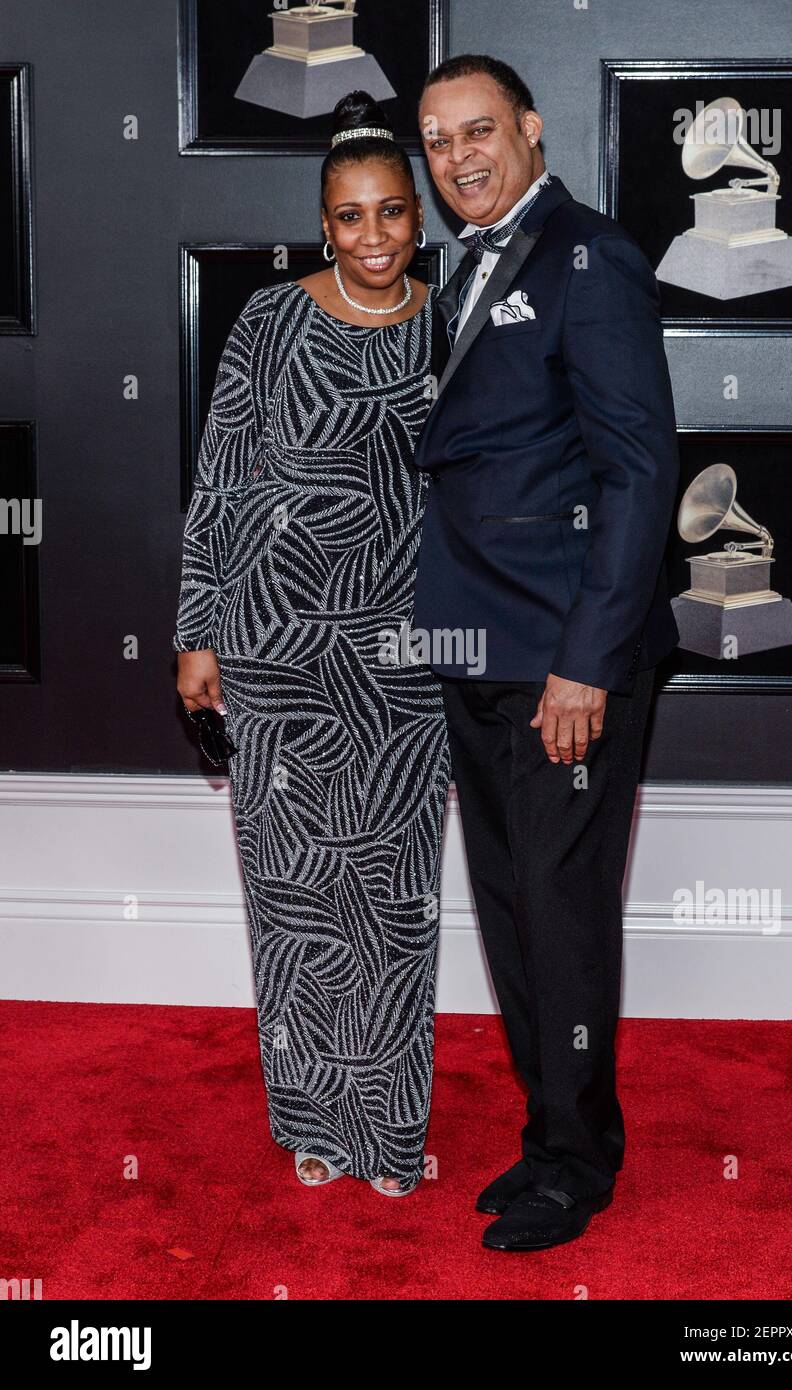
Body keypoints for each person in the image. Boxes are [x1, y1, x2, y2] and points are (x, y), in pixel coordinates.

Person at [413, 55, 681, 1249]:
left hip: (563, 657)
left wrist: (587, 662)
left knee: (560, 913)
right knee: (515, 908)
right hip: (475, 644)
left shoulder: (591, 256)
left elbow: (636, 474)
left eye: (478, 130)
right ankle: (548, 1136)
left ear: (528, 129)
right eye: (435, 140)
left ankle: (576, 1164)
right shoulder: (453, 269)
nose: (457, 156)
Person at [174, 91, 450, 1197]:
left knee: (391, 899)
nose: (373, 236)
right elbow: (222, 482)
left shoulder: (454, 321)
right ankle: (313, 1123)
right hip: (274, 645)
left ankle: (388, 1135)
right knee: (294, 900)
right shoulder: (269, 322)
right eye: (350, 216)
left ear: (418, 218)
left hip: (406, 653)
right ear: (322, 222)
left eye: (392, 213)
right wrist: (197, 634)